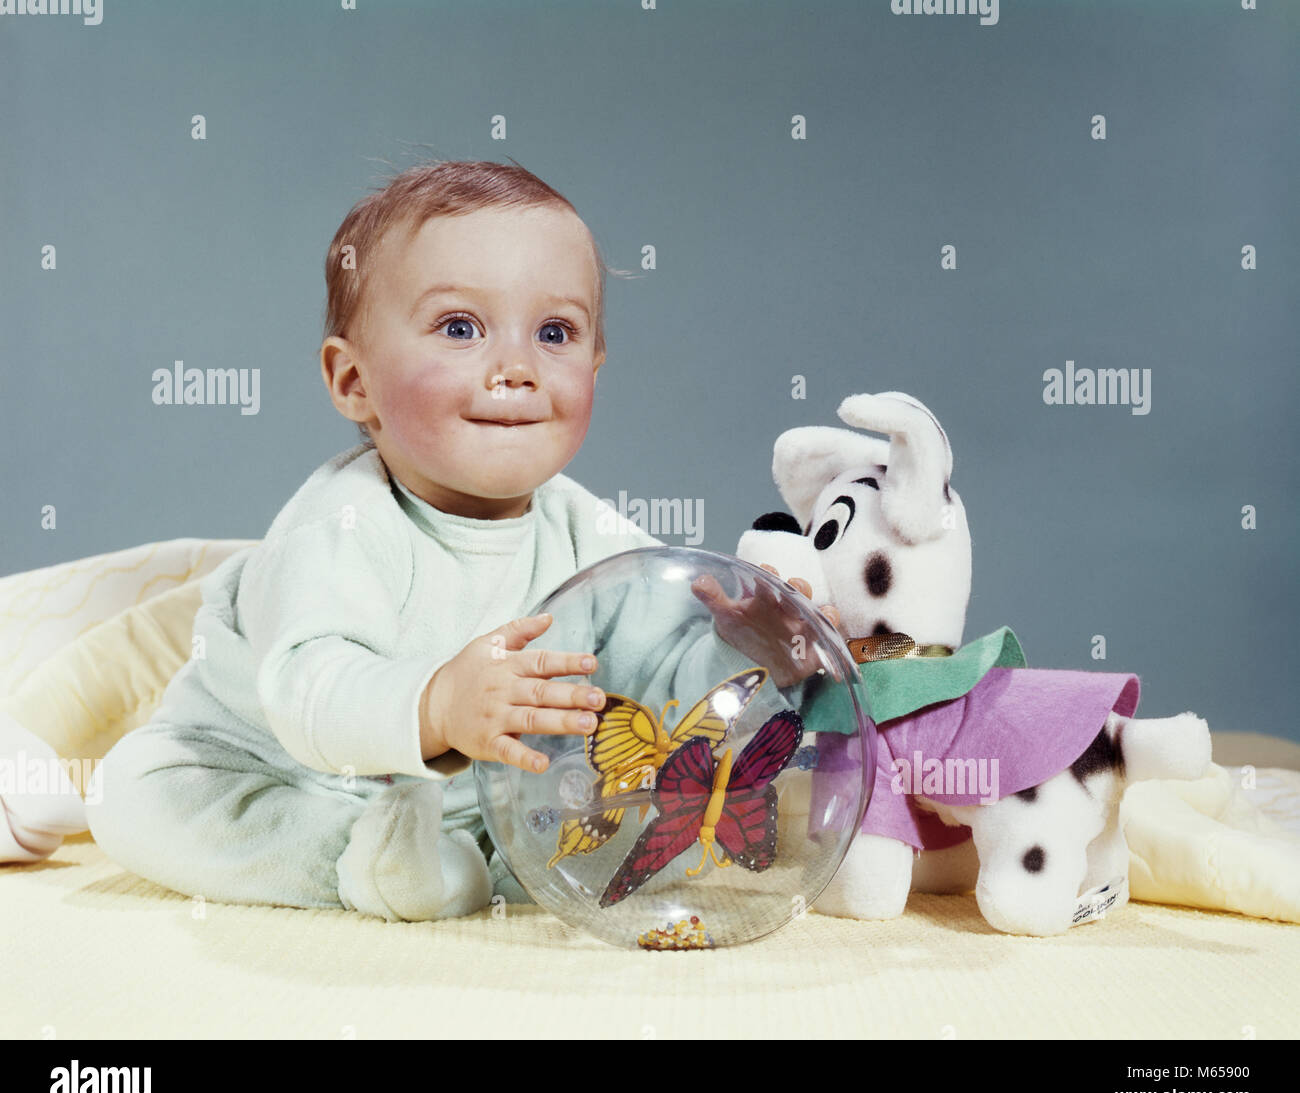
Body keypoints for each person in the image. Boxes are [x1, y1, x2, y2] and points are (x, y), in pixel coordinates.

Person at [86, 160, 836, 922]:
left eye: (555, 333)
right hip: (283, 775)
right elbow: (307, 689)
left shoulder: (591, 534)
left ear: (596, 368)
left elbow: (664, 681)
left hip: (487, 804)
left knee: (640, 808)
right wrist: (438, 705)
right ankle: (364, 862)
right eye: (459, 328)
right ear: (355, 382)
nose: (516, 368)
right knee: (136, 794)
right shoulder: (340, 524)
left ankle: (455, 865)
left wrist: (752, 651)